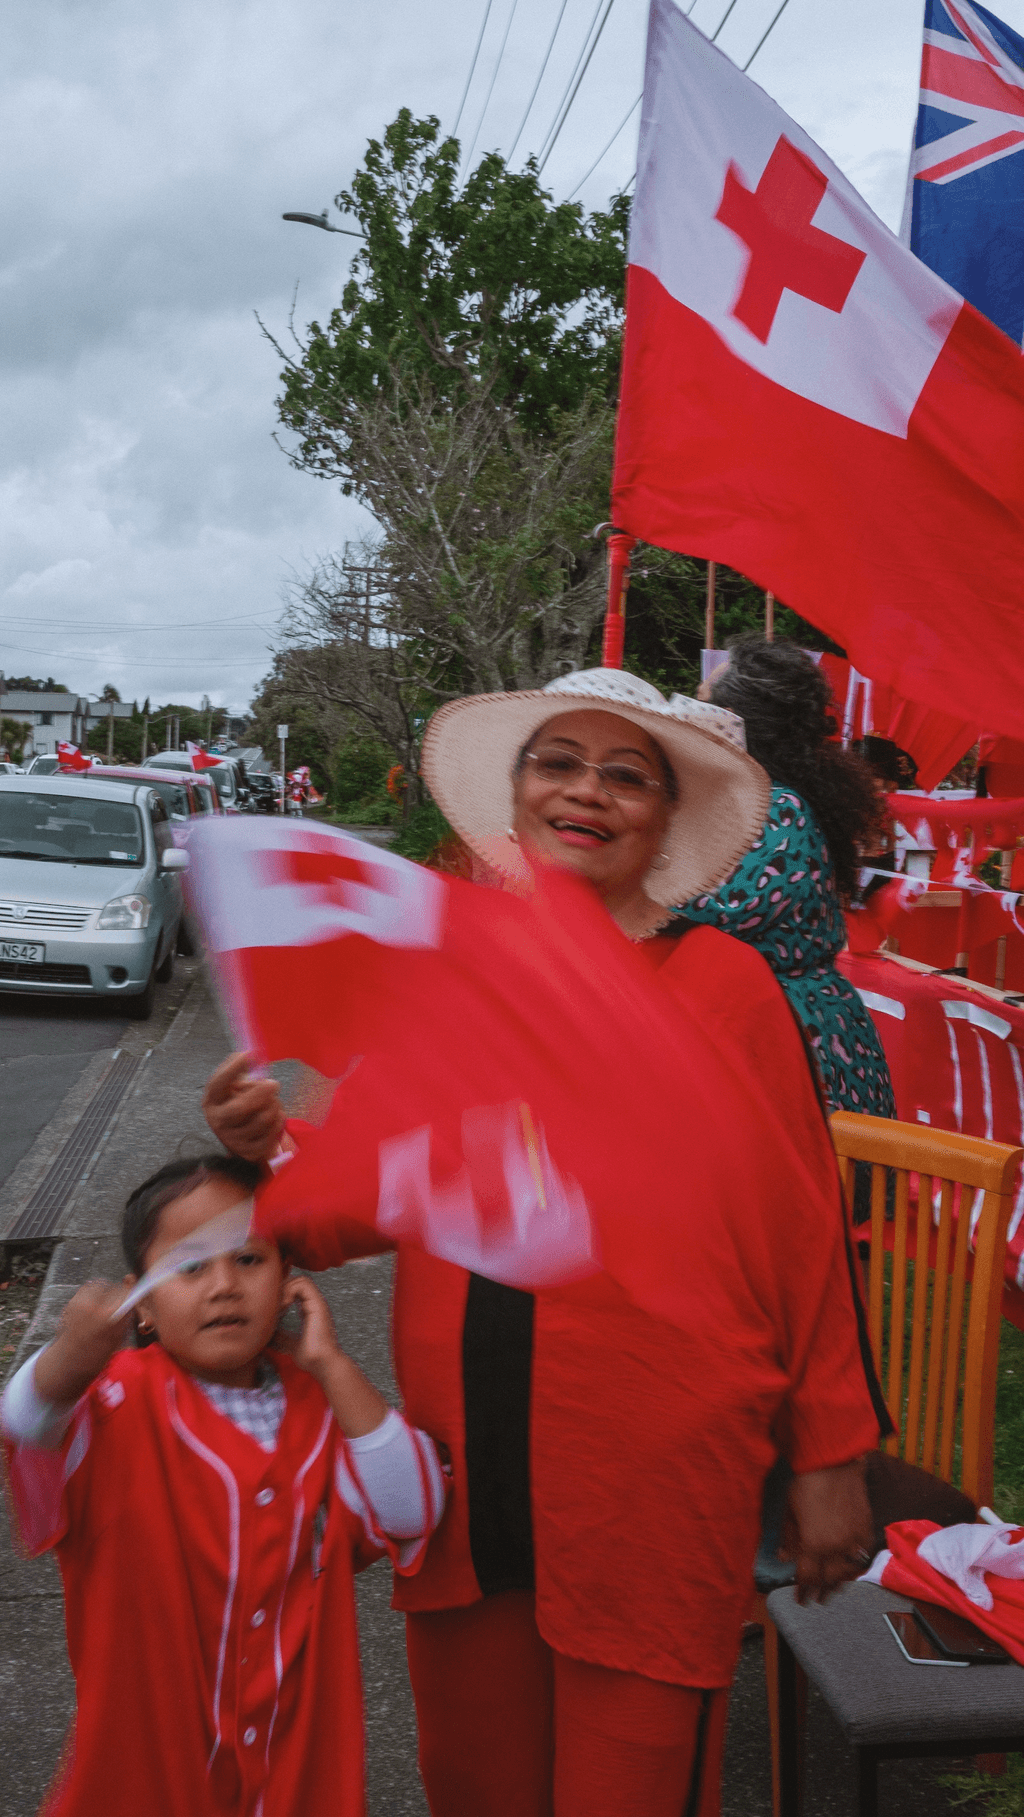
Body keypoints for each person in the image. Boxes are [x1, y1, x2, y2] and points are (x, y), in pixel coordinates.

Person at [203, 667, 886, 1817]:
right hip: (465, 1473)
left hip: (651, 1471)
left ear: (665, 819)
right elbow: (346, 1204)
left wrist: (827, 1456)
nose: (588, 792)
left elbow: (801, 1234)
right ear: (516, 793)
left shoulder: (723, 984)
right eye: (558, 762)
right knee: (474, 1781)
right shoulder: (454, 975)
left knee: (630, 1781)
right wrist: (263, 1146)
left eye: (627, 775)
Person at [1, 1151, 446, 1817]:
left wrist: (330, 1362)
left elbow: (412, 1507)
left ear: (290, 1282)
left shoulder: (321, 1412)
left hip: (297, 1773)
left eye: (248, 1258)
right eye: (189, 1265)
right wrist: (72, 1357)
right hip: (147, 1773)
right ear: (141, 1307)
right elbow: (26, 1420)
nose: (224, 1285)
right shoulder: (115, 1406)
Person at [691, 636, 896, 1118]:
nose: (685, 716)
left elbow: (692, 910)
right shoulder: (747, 803)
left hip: (798, 1047)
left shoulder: (778, 813)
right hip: (763, 1031)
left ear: (737, 723)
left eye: (699, 705)